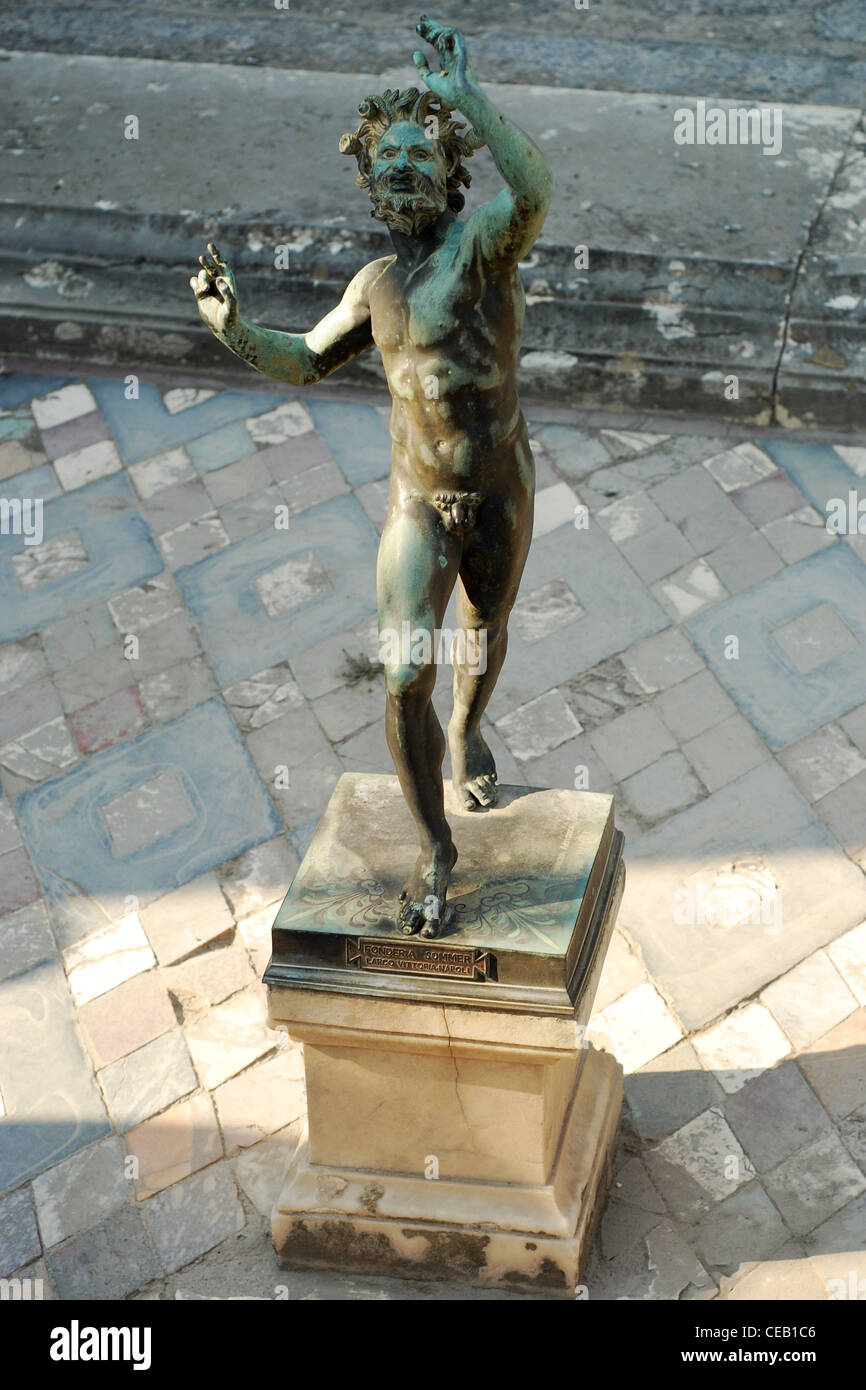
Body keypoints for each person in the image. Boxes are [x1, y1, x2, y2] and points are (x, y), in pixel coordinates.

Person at [191, 15, 553, 937]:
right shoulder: (374, 286)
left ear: (449, 172)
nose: (400, 168)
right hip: (417, 504)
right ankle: (435, 844)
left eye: (419, 154)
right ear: (367, 181)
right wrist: (233, 326)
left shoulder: (485, 248)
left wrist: (469, 101)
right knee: (401, 677)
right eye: (384, 159)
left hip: (501, 483)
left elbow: (538, 191)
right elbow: (307, 360)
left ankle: (470, 727)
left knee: (486, 628)